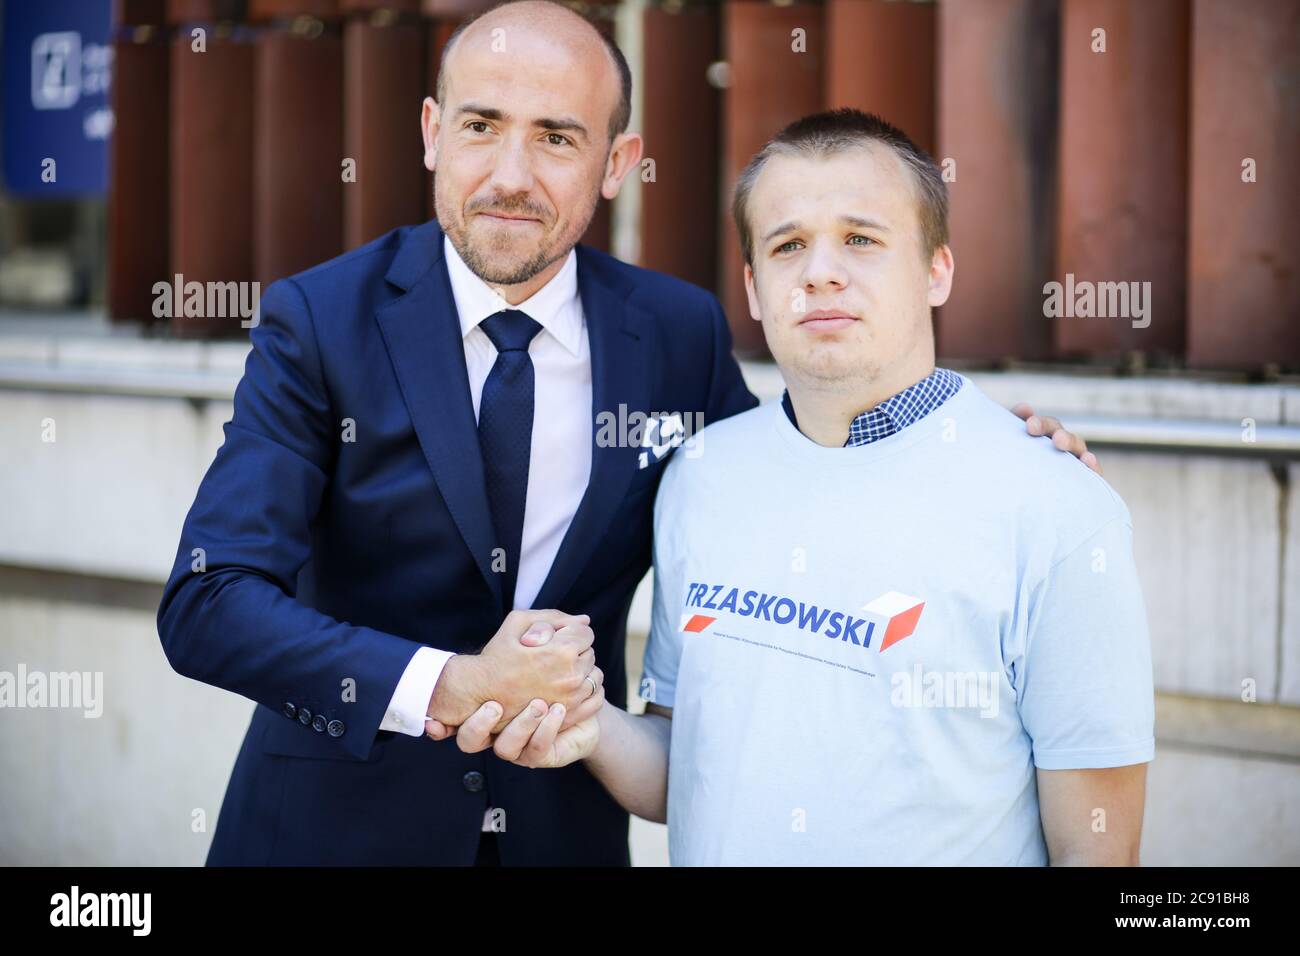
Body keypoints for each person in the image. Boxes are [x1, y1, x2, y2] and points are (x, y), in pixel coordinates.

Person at [159, 0, 1097, 866]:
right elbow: (210, 603)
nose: (512, 177)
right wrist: (451, 684)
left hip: (562, 841)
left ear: (617, 162)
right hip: (328, 842)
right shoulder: (320, 319)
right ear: (432, 135)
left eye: (557, 138)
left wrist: (985, 459)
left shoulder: (675, 334)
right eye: (481, 127)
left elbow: (791, 489)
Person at [450, 108, 1154, 867]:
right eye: (789, 246)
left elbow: (1098, 852)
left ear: (937, 270)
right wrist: (589, 722)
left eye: (861, 238)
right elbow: (683, 774)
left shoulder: (1055, 506)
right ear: (754, 288)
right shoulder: (703, 475)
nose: (820, 271)